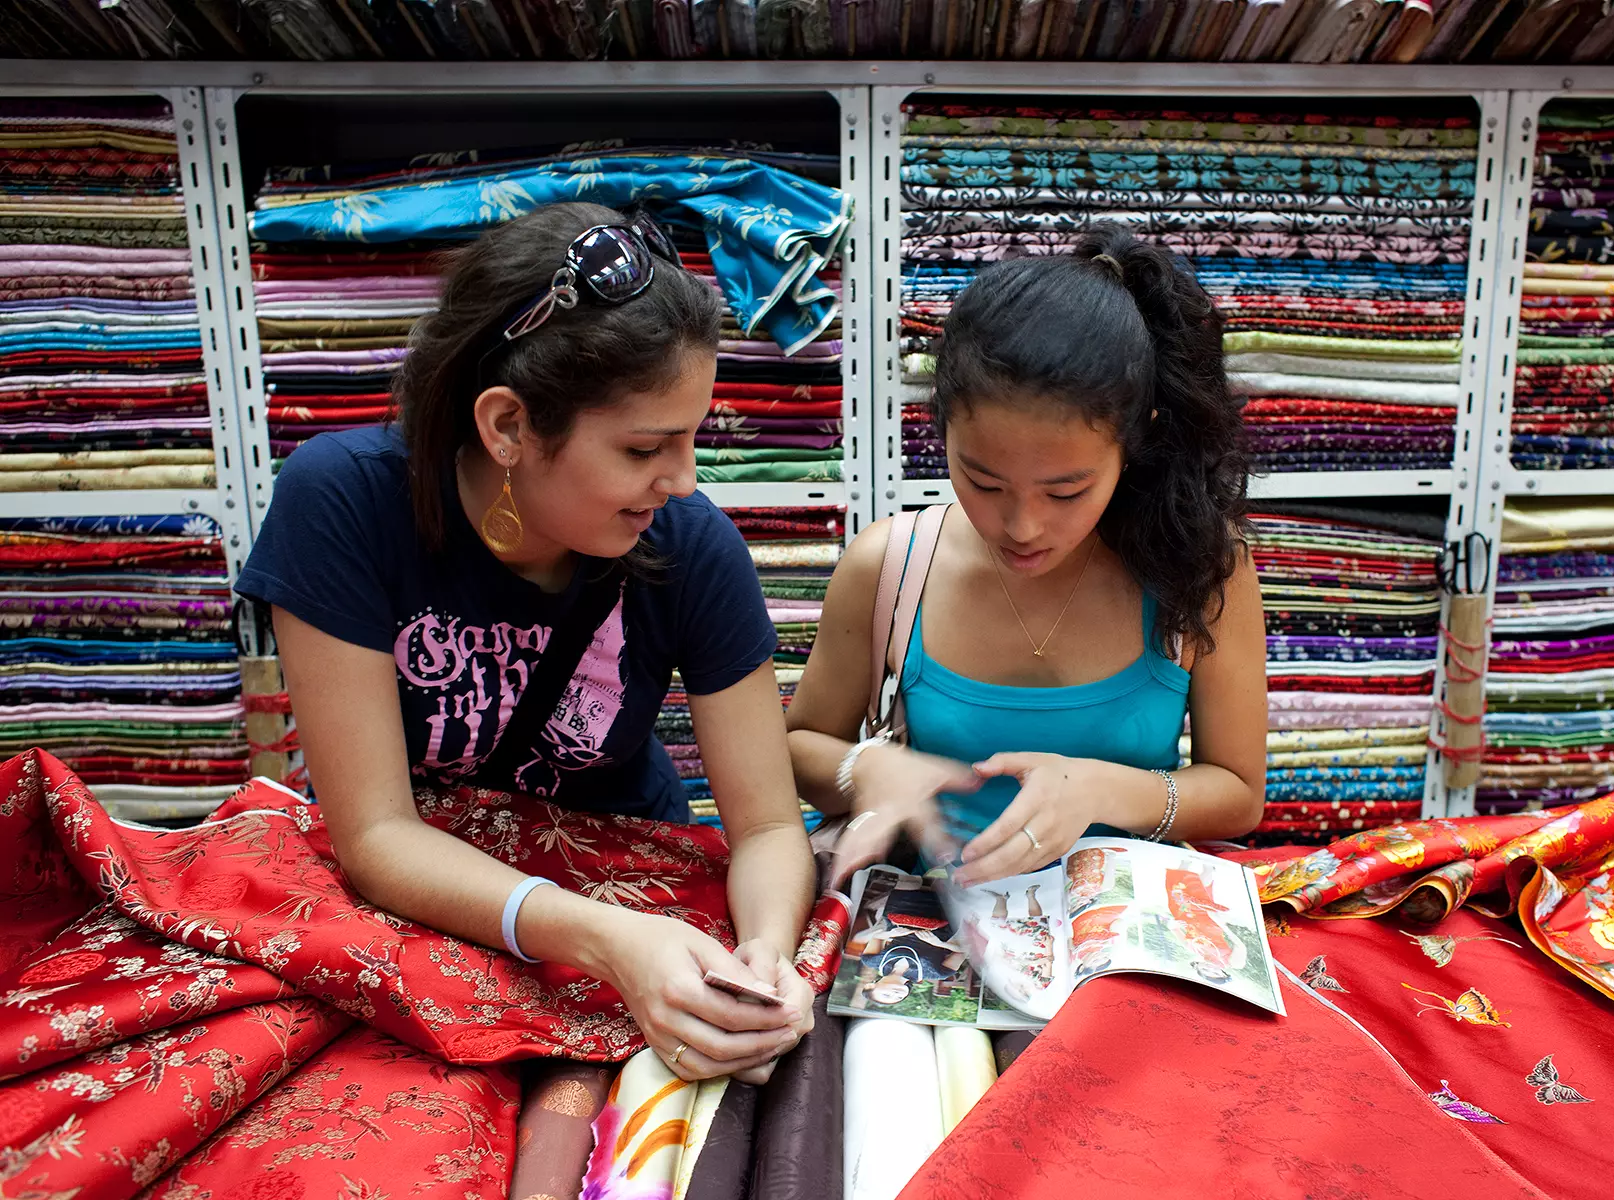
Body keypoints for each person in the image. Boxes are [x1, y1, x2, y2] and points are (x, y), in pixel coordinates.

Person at [234, 203, 815, 1082]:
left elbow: (769, 823)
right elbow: (379, 835)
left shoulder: (689, 543)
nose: (684, 479)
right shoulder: (345, 505)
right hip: (431, 900)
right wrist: (607, 939)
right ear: (508, 426)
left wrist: (769, 957)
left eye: (693, 437)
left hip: (621, 881)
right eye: (645, 446)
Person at [786, 226, 1268, 888]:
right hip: (934, 936)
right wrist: (866, 768)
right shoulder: (890, 567)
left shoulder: (1201, 566)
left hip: (1119, 936)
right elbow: (796, 747)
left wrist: (1097, 791)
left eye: (1066, 491)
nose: (1021, 525)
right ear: (942, 431)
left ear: (1134, 445)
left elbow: (1239, 793)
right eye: (983, 482)